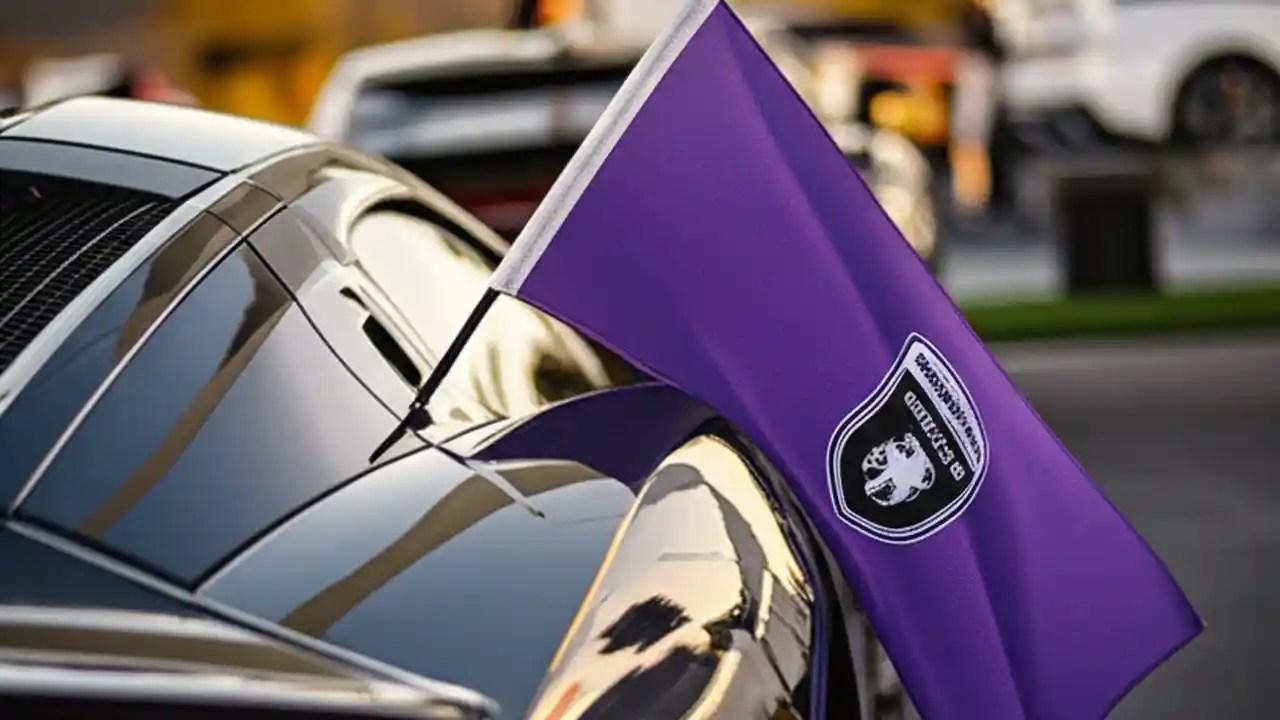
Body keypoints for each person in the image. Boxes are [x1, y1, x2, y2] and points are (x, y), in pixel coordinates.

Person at [950, 0, 1007, 220]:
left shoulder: (987, 14)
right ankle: (971, 197)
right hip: (979, 66)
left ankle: (972, 198)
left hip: (981, 68)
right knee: (970, 137)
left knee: (971, 136)